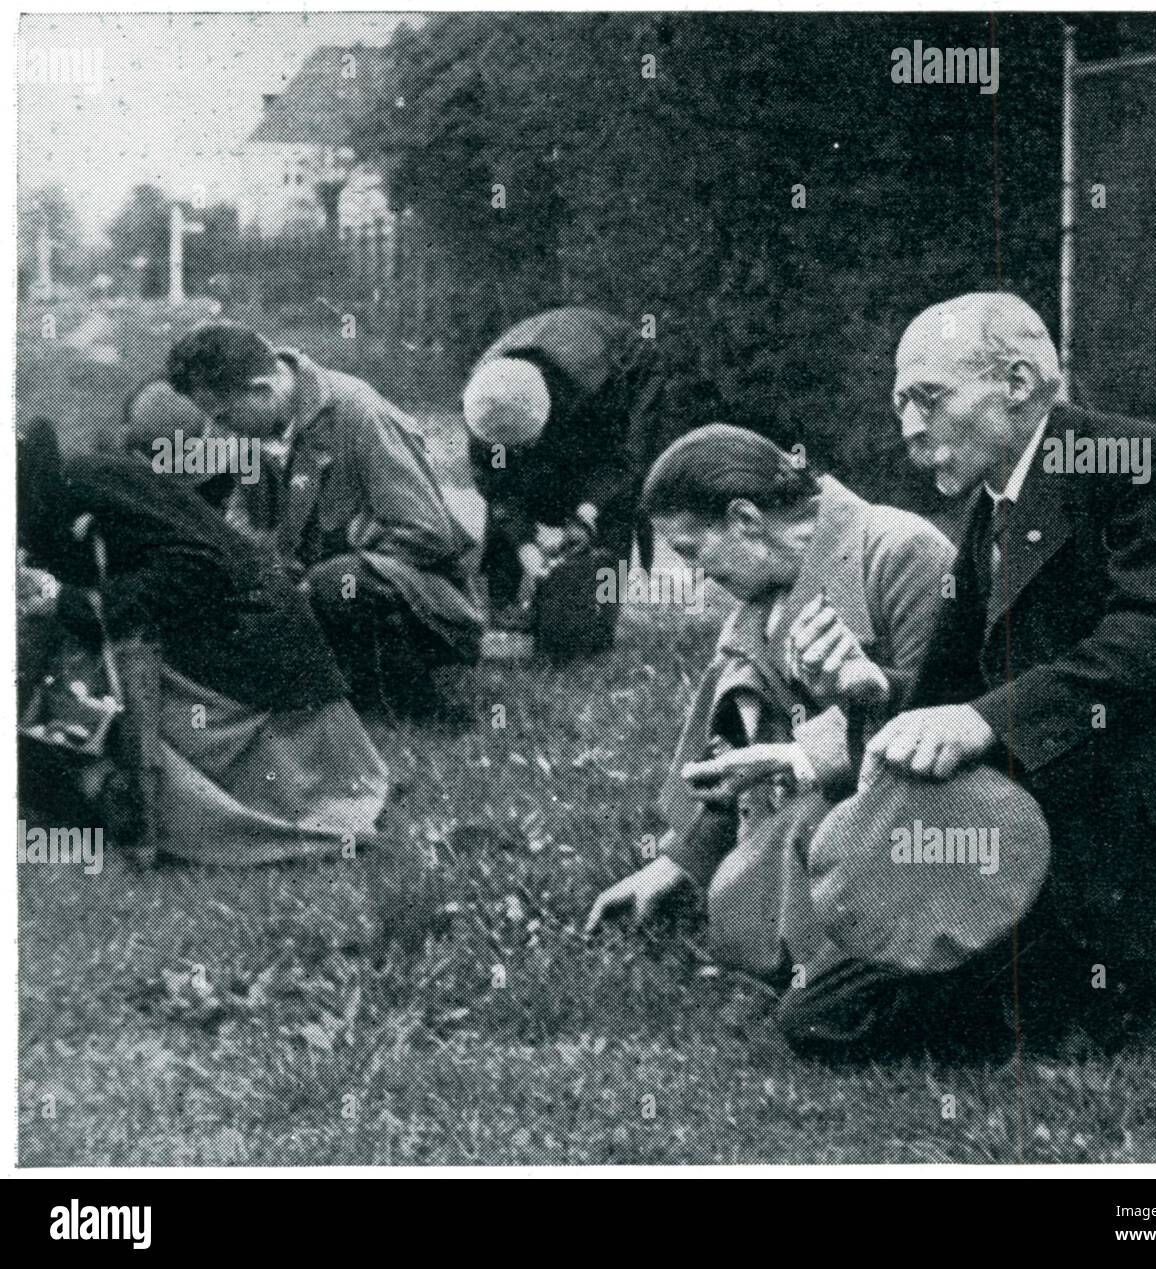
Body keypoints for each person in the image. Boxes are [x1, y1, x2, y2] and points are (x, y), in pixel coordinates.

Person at [817, 291, 1156, 1057]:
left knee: (844, 1017)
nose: (910, 428)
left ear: (1016, 383)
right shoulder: (993, 503)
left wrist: (985, 720)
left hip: (1123, 842)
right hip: (1026, 829)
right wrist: (873, 700)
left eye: (928, 397)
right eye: (899, 405)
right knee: (826, 1007)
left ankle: (1115, 981)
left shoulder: (1130, 462)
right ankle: (1041, 986)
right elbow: (950, 683)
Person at [585, 425, 956, 997]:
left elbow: (947, 721)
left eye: (691, 551)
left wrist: (821, 741)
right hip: (817, 825)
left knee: (769, 910)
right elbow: (733, 757)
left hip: (916, 823)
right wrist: (679, 862)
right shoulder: (755, 610)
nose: (695, 576)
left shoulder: (903, 555)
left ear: (746, 520)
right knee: (735, 904)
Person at [17, 419, 389, 866]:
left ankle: (146, 803)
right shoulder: (64, 493)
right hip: (222, 636)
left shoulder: (88, 490)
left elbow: (198, 570)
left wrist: (67, 600)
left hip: (249, 652)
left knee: (88, 691)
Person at [166, 323, 484, 715]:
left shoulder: (359, 414)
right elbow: (246, 530)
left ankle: (405, 702)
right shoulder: (250, 434)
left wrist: (329, 560)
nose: (216, 429)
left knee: (338, 582)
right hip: (316, 594)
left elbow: (427, 534)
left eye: (224, 416)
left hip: (424, 604)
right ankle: (332, 687)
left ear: (263, 389)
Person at [462, 306, 677, 657]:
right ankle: (502, 606)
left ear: (545, 420)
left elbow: (620, 460)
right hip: (554, 363)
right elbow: (499, 487)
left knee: (615, 505)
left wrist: (585, 513)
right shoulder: (485, 397)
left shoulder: (599, 389)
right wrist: (525, 546)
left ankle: (595, 618)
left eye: (528, 444)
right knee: (509, 487)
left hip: (624, 369)